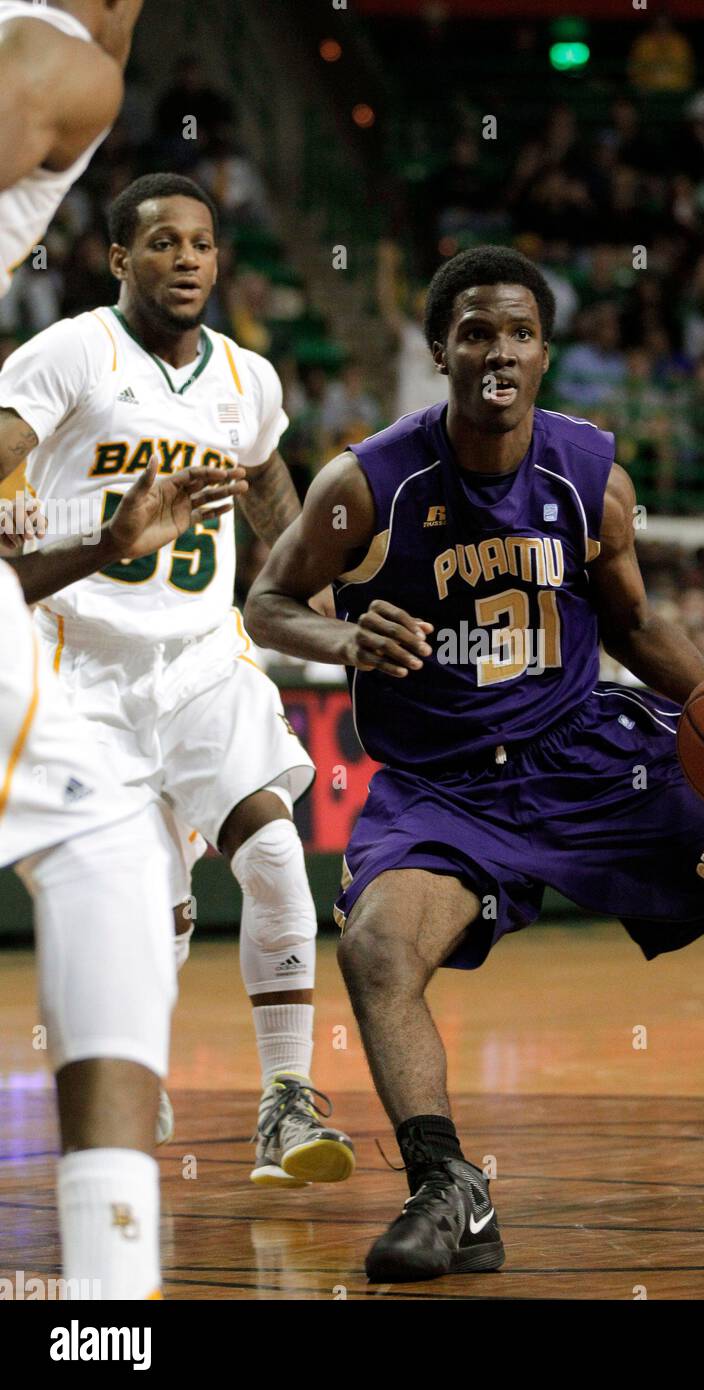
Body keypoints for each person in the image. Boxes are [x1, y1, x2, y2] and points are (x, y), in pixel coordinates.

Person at [245, 246, 704, 1284]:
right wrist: (343, 639)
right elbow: (265, 602)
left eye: (520, 332)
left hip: (591, 755)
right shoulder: (366, 484)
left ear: (544, 353)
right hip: (444, 783)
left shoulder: (587, 475)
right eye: (476, 331)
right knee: (373, 950)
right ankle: (448, 1184)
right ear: (440, 349)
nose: (499, 350)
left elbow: (629, 620)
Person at [0, 170, 355, 1188]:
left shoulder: (248, 379)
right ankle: (127, 1058)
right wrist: (28, 515)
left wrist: (325, 612)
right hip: (82, 669)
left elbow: (278, 516)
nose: (188, 259)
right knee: (143, 911)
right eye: (162, 243)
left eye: (201, 242)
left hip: (204, 660)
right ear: (118, 258)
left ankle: (284, 1106)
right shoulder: (72, 350)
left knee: (277, 858)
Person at [0, 0, 243, 1300]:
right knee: (106, 859)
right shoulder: (59, 56)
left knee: (116, 851)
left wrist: (99, 541)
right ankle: (107, 1300)